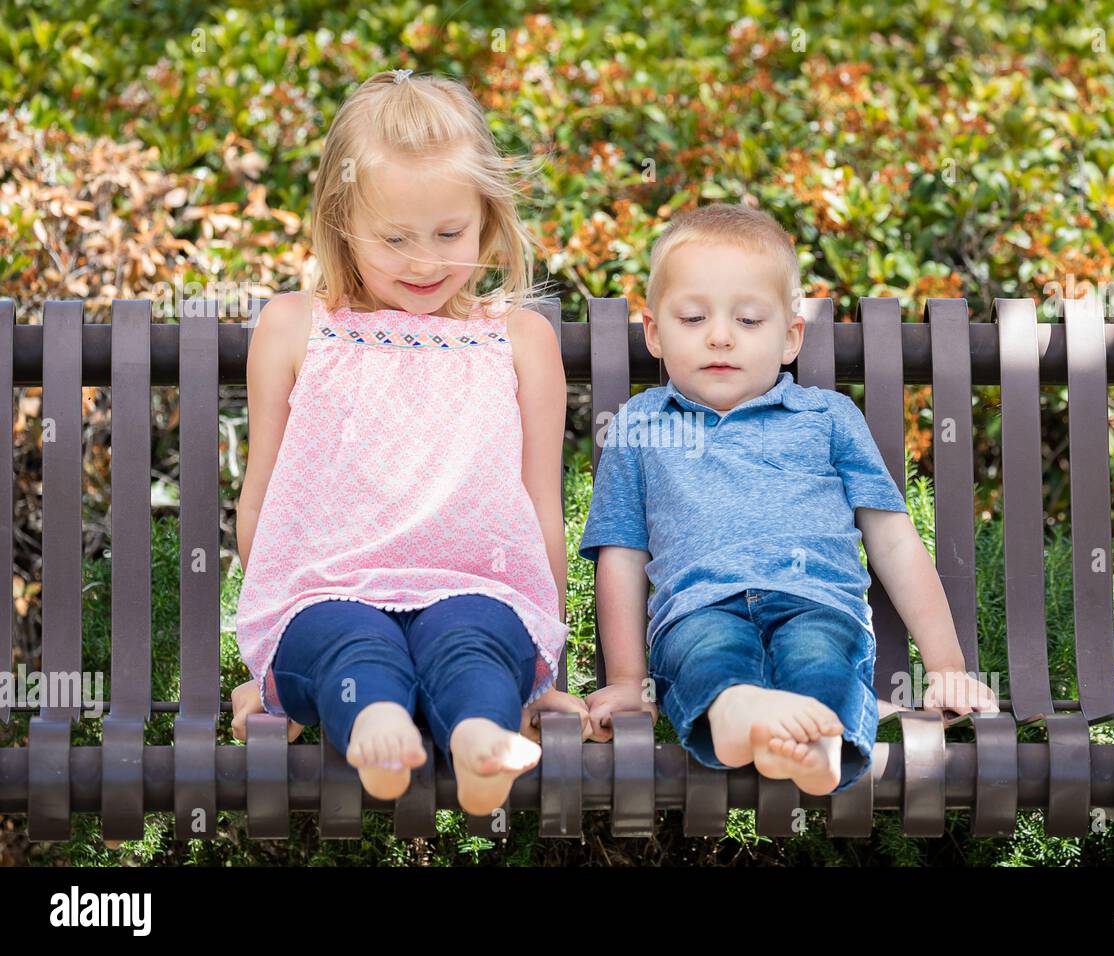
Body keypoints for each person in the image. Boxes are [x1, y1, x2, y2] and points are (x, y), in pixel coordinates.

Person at [230, 69, 590, 814]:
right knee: (350, 650)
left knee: (476, 645)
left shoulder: (518, 340)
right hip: (327, 592)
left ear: (487, 220)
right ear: (340, 222)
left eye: (449, 234)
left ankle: (483, 738)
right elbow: (260, 504)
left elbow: (539, 513)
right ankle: (379, 726)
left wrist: (551, 671)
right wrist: (272, 659)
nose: (424, 262)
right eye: (393, 239)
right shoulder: (298, 326)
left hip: (475, 587)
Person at [580, 203, 998, 796]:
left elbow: (893, 540)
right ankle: (735, 712)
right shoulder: (639, 425)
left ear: (790, 338)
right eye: (694, 317)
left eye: (749, 320)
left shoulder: (827, 417)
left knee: (822, 658)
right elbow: (620, 556)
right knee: (706, 652)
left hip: (817, 601)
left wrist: (948, 668)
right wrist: (626, 680)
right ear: (653, 332)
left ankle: (815, 744)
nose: (721, 335)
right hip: (700, 606)